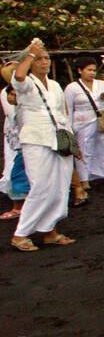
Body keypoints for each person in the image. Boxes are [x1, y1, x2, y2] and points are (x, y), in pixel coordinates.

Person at [9, 39, 77, 251]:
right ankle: (20, 234)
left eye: (46, 58)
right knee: (40, 185)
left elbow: (63, 115)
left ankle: (49, 230)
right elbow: (18, 76)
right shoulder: (25, 83)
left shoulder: (55, 85)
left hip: (58, 138)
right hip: (36, 139)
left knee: (60, 185)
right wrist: (31, 53)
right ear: (29, 62)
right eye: (39, 59)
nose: (44, 62)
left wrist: (74, 143)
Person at [65, 56, 104, 199]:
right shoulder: (72, 88)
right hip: (82, 121)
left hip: (102, 119)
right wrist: (69, 128)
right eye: (89, 70)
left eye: (94, 70)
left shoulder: (101, 84)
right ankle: (84, 180)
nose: (92, 73)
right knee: (84, 150)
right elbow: (68, 109)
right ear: (80, 70)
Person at [0, 63, 27, 221]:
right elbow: (12, 115)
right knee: (15, 171)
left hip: (22, 140)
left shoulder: (25, 90)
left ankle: (19, 206)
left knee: (16, 172)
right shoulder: (7, 91)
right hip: (15, 140)